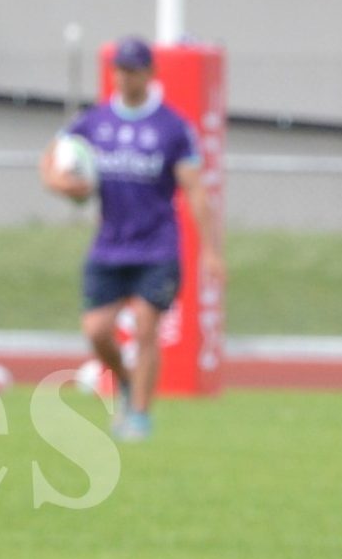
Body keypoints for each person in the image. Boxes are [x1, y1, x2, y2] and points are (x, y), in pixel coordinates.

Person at [39, 38, 218, 441]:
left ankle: (139, 414)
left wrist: (210, 250)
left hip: (157, 245)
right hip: (109, 244)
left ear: (150, 74)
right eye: (119, 68)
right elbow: (50, 159)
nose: (124, 75)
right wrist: (61, 184)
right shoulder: (94, 122)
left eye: (133, 69)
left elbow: (195, 191)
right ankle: (124, 380)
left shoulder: (172, 127)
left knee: (144, 325)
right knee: (97, 331)